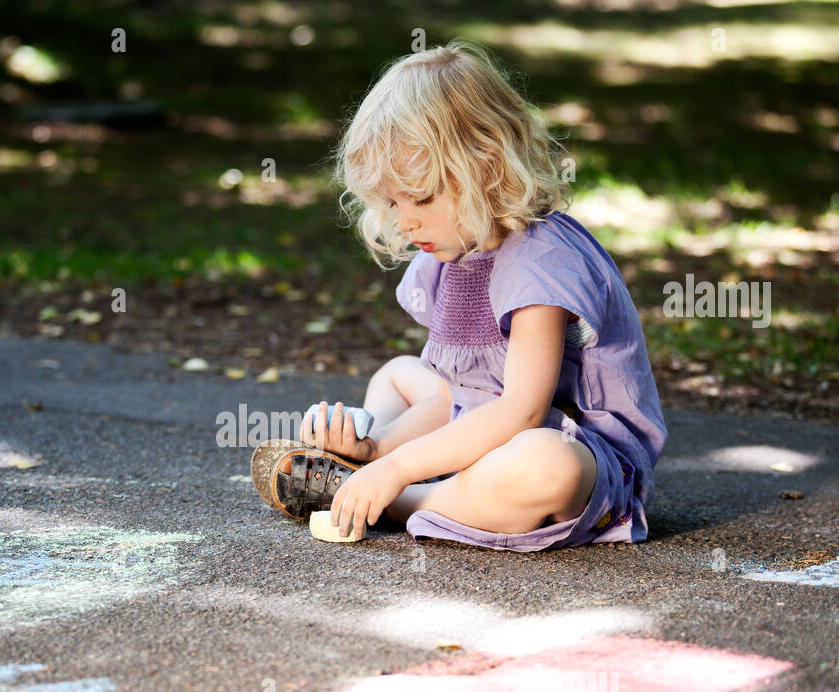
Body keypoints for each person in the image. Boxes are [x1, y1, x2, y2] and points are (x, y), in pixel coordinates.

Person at [251, 39, 667, 552]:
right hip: (487, 433)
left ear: (487, 168)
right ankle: (365, 466)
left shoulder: (539, 262)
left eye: (422, 197)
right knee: (398, 375)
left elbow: (520, 413)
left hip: (581, 459)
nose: (405, 221)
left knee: (545, 465)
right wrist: (380, 444)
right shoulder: (455, 250)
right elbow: (461, 395)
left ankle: (401, 500)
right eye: (392, 201)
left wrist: (399, 470)